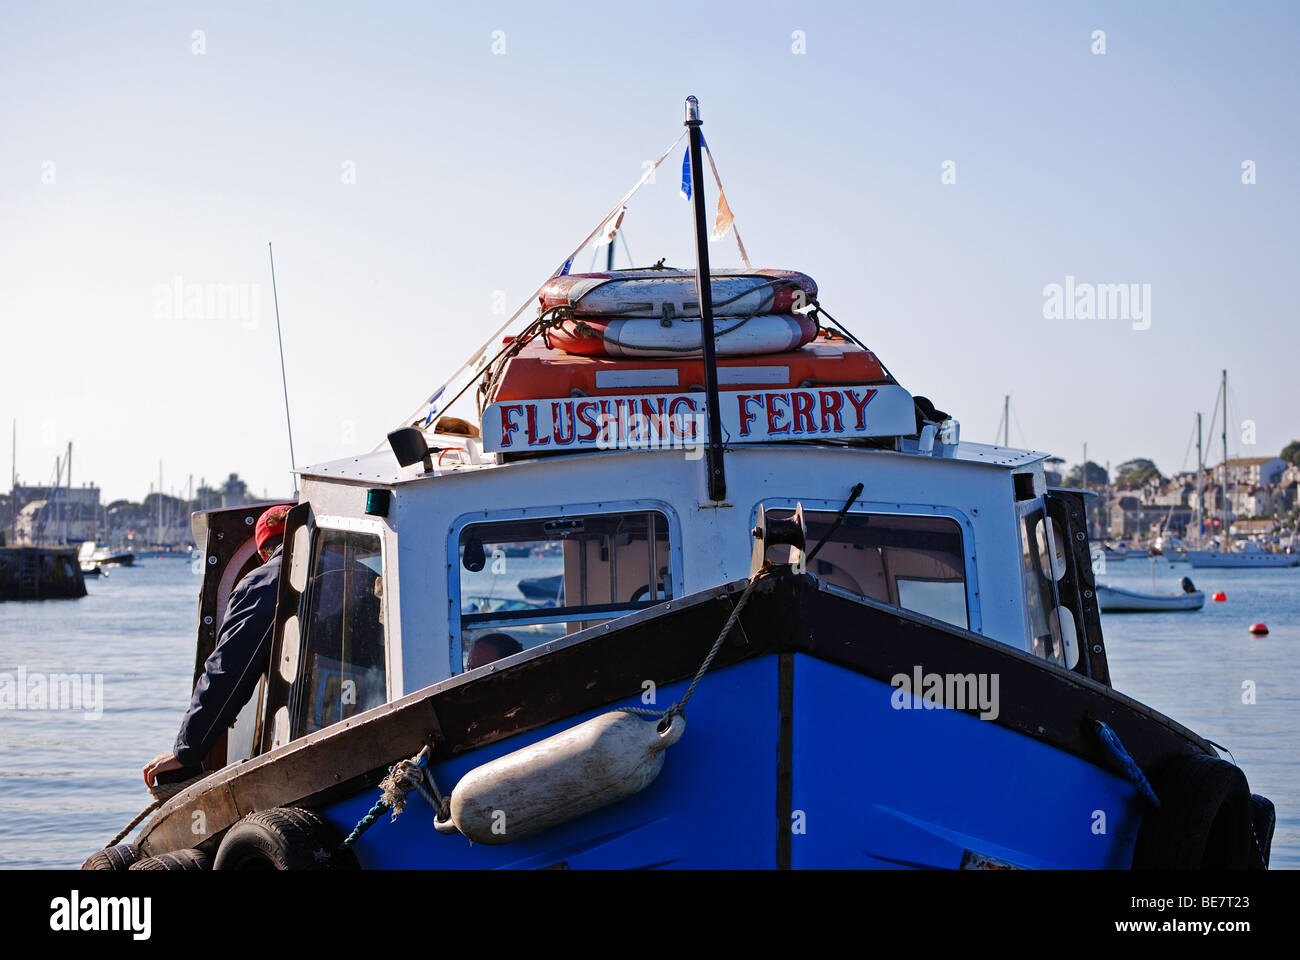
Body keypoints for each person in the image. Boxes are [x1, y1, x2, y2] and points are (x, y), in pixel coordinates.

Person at [141, 503, 295, 787]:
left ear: (263, 553)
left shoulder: (264, 583)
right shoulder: (354, 569)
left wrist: (187, 751)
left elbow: (228, 671)